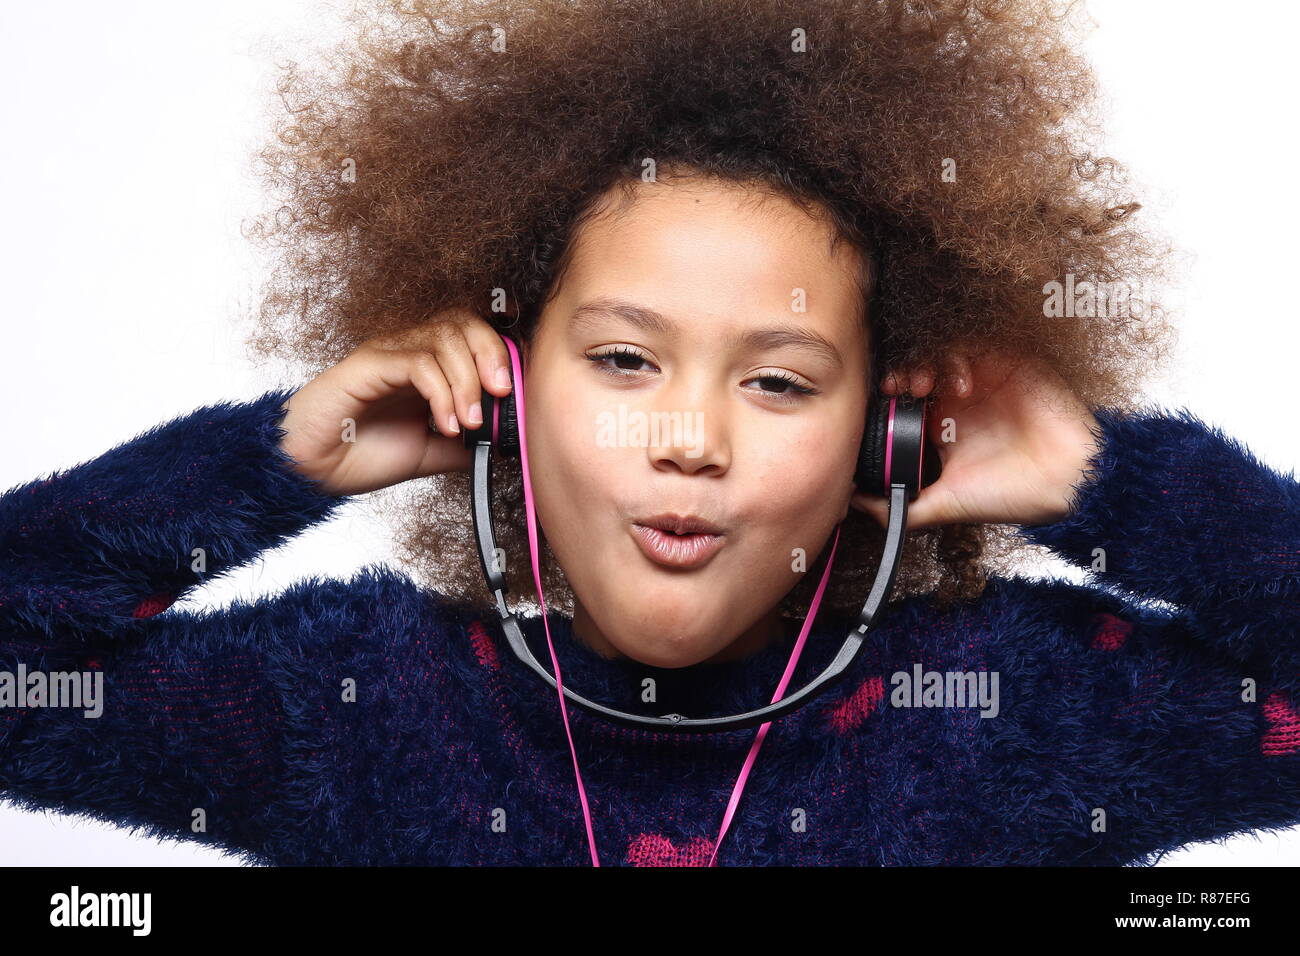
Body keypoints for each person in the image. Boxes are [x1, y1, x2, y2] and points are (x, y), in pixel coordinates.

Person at [2, 0, 1298, 866]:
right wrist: (266, 462)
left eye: (779, 382)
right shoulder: (360, 702)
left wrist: (1115, 484)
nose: (690, 437)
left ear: (886, 429)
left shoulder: (1012, 715)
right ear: (508, 386)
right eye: (625, 360)